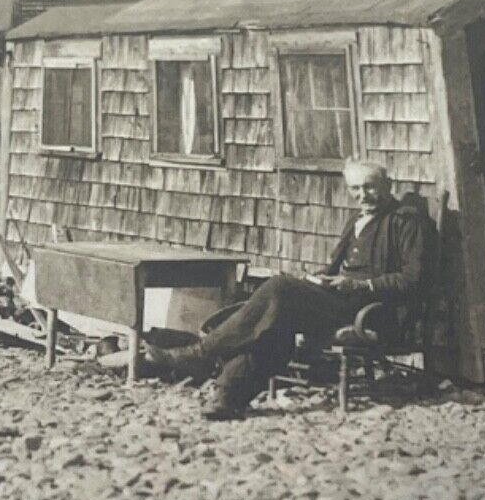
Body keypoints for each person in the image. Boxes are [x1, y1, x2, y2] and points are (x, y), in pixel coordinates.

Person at [144, 158, 436, 420]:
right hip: (337, 299)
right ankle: (228, 397)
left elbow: (415, 279)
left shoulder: (406, 222)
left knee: (279, 289)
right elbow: (336, 270)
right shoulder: (356, 221)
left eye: (370, 188)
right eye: (355, 189)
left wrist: (360, 284)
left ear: (387, 185)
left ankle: (201, 353)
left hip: (370, 309)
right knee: (274, 324)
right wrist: (316, 279)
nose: (363, 196)